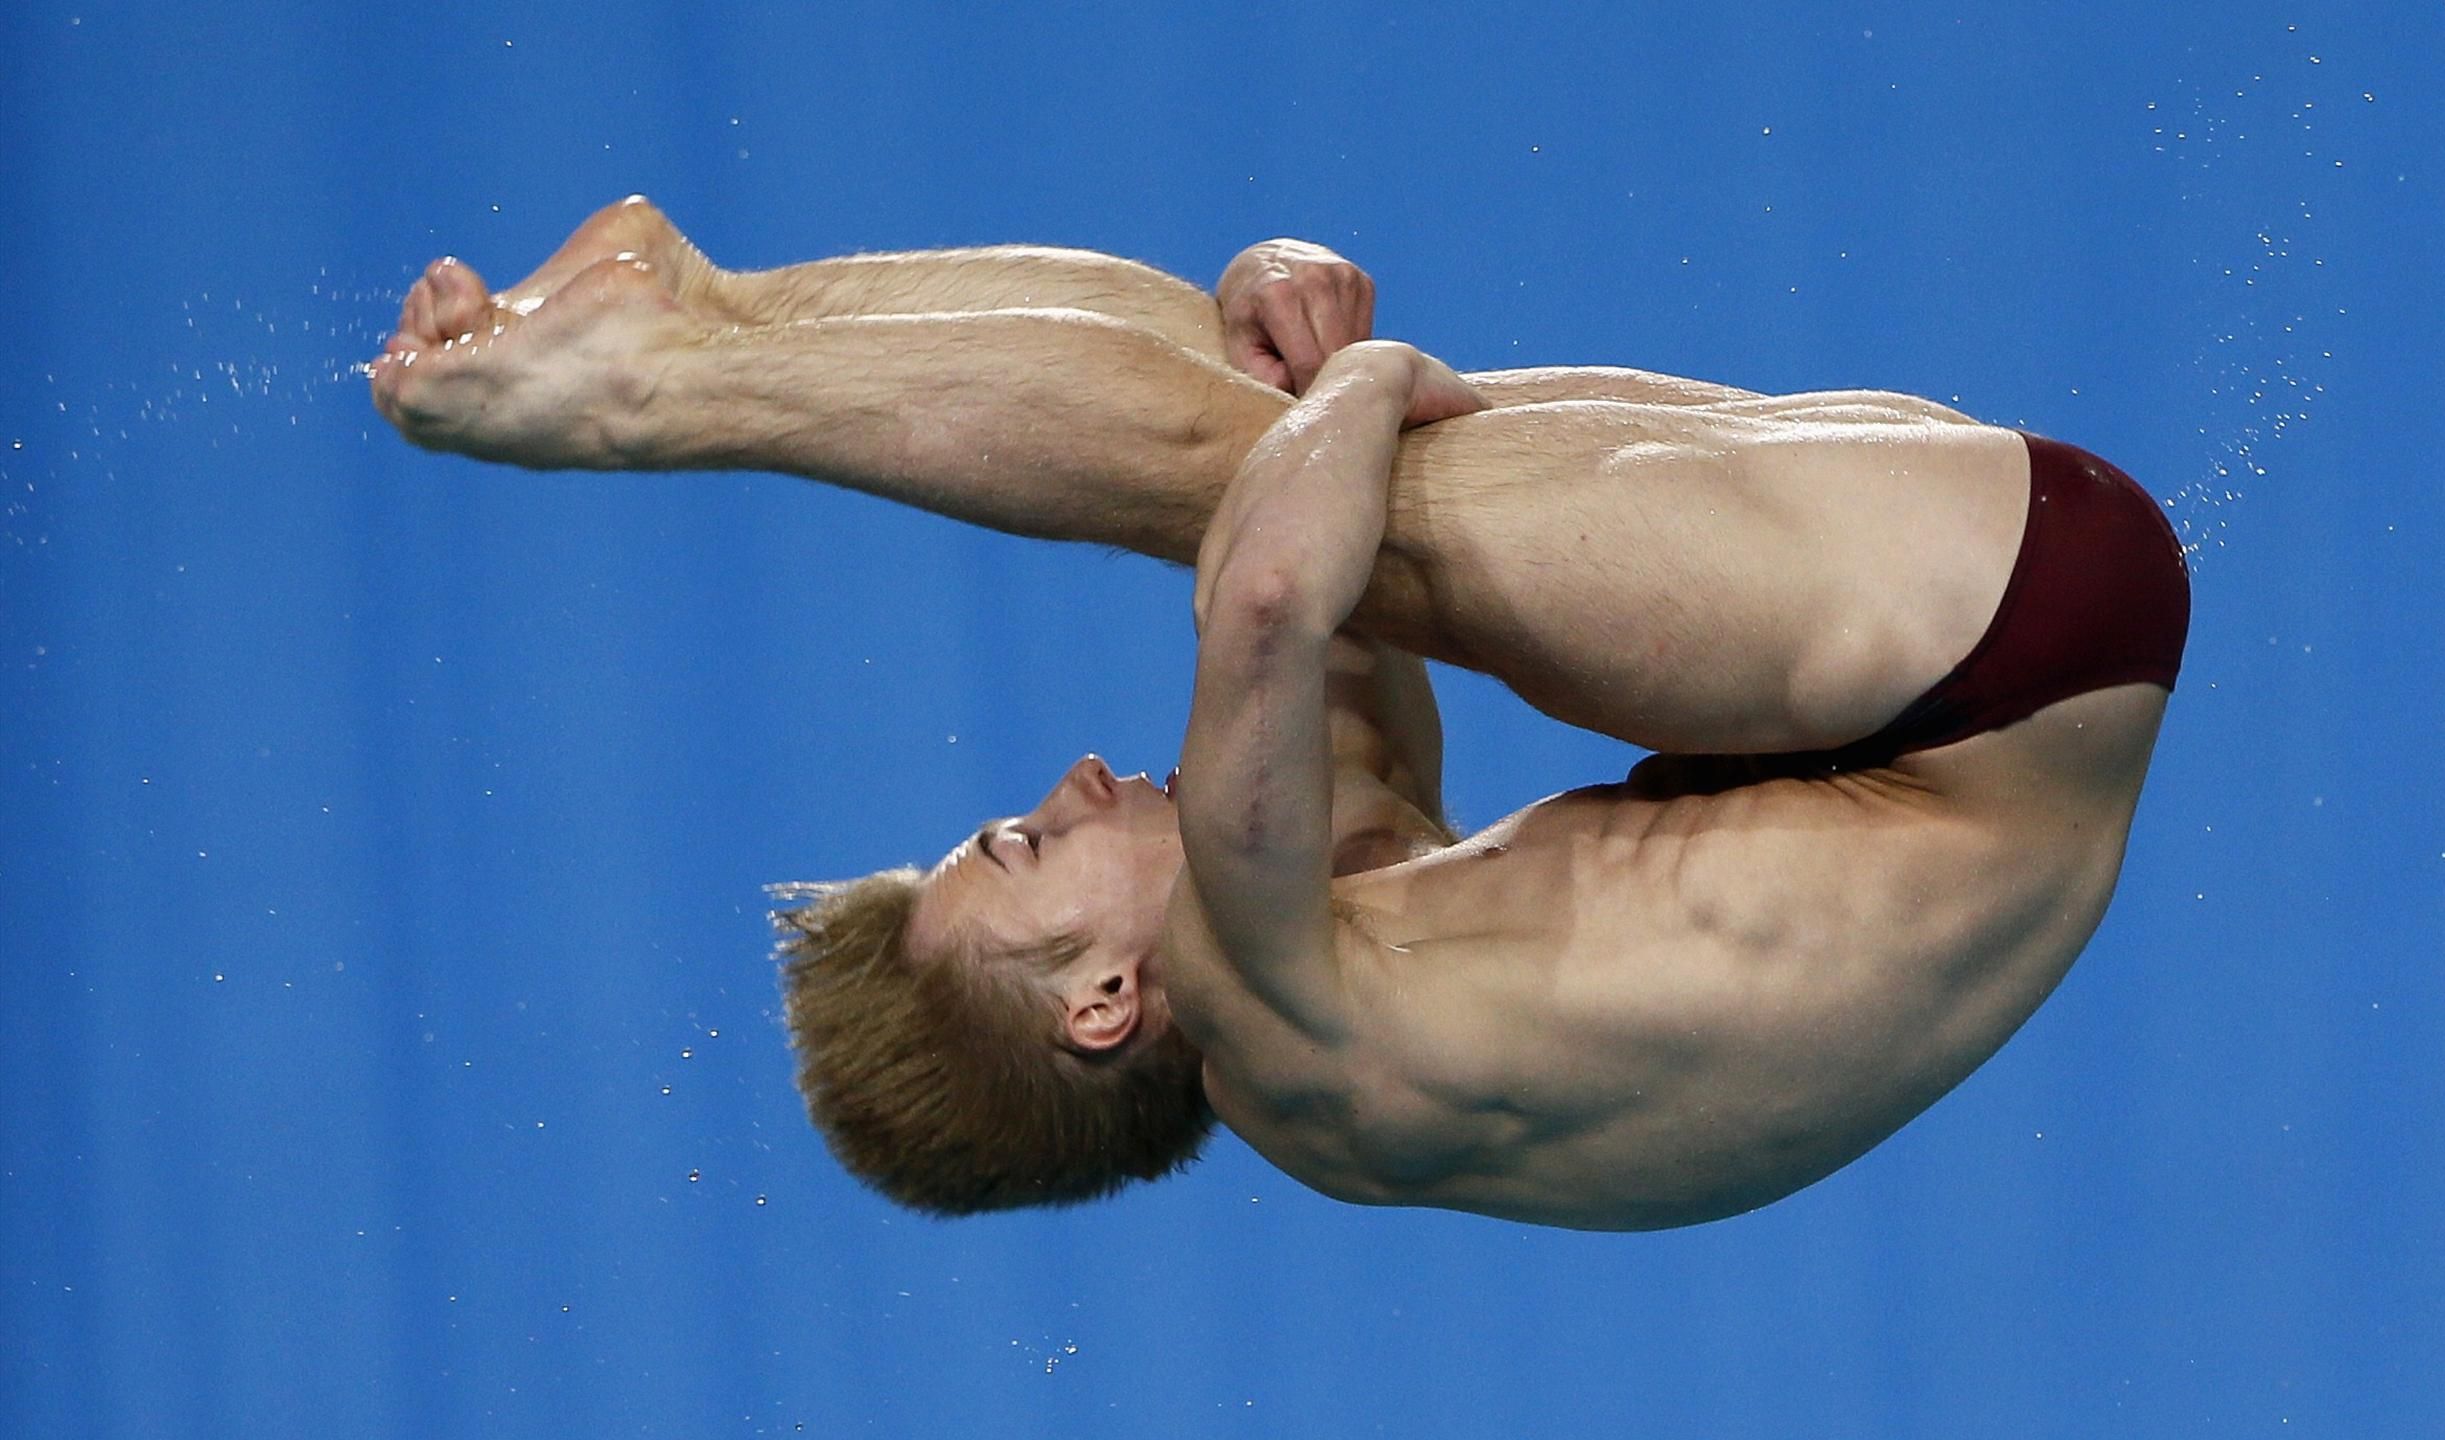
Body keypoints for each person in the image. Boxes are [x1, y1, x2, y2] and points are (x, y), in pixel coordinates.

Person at [371, 197, 2188, 1231]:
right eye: (1025, 845)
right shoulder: (1264, 1000)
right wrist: (1376, 373)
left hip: (1991, 685)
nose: (1070, 783)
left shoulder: (1320, 1045)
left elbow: (1345, 690)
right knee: (1247, 492)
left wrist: (1265, 325)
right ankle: (651, 384)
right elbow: (1262, 593)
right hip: (1988, 642)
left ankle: (710, 313)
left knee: (1255, 444)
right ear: (1099, 1003)